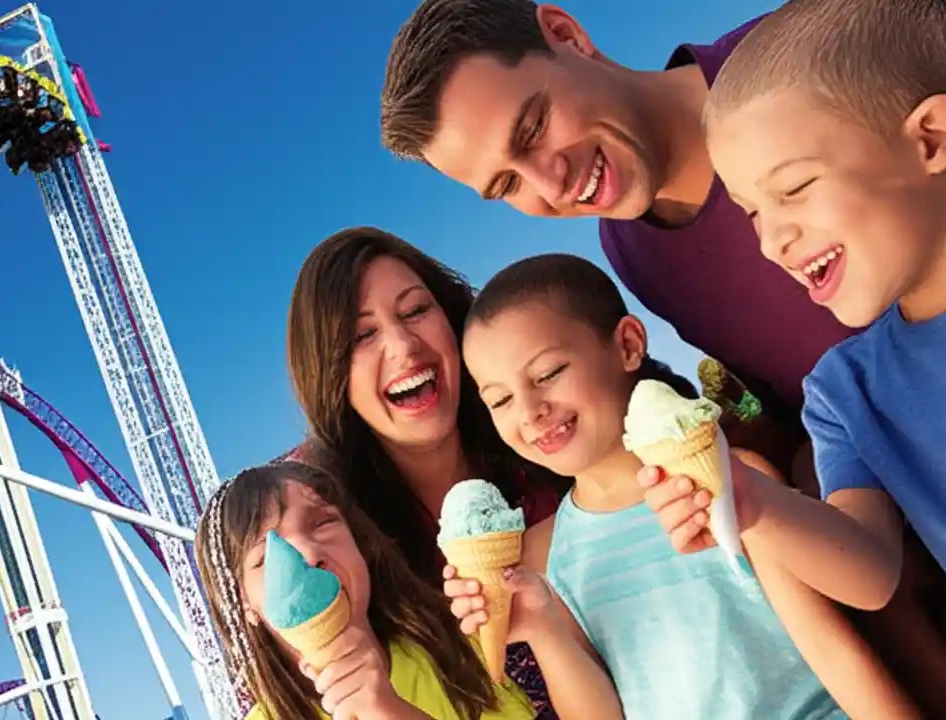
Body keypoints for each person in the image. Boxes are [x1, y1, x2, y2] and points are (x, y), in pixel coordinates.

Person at [378, 0, 853, 483]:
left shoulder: (830, 43)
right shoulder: (635, 254)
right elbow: (813, 411)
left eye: (533, 128)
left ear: (567, 35)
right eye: (507, 186)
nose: (549, 184)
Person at [640, 0, 946, 714]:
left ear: (931, 138)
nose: (773, 239)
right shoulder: (844, 395)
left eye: (796, 187)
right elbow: (870, 571)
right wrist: (752, 503)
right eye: (752, 211)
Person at [450, 253, 914, 719]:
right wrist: (542, 630)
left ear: (628, 345)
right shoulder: (541, 555)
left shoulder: (734, 479)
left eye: (548, 374)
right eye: (501, 399)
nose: (529, 411)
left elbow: (834, 652)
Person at [285, 226, 569, 715]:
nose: (403, 345)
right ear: (329, 376)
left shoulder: (546, 434)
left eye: (416, 310)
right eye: (362, 335)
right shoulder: (324, 528)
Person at [194, 460, 544, 719]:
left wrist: (390, 711)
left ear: (360, 543)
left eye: (322, 522)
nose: (309, 555)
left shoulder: (451, 646)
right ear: (245, 606)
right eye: (268, 557)